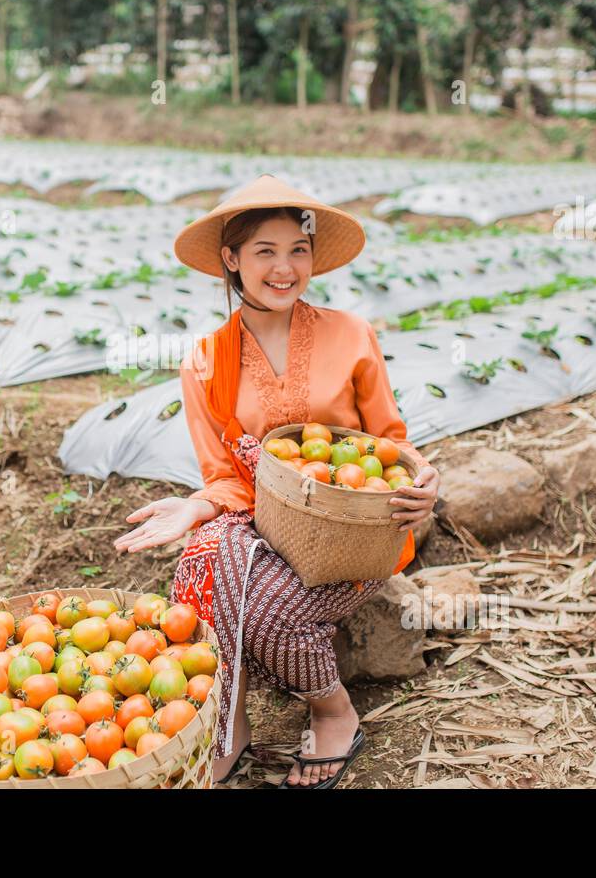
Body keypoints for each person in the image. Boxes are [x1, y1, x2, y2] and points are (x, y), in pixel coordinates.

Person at [113, 174, 440, 788]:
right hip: (266, 526)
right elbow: (226, 481)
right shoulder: (204, 361)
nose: (285, 268)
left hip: (354, 537)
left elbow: (391, 443)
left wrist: (423, 477)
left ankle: (334, 713)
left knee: (271, 611)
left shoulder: (352, 334)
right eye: (265, 251)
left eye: (298, 250)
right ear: (232, 259)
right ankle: (229, 719)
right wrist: (196, 506)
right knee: (204, 556)